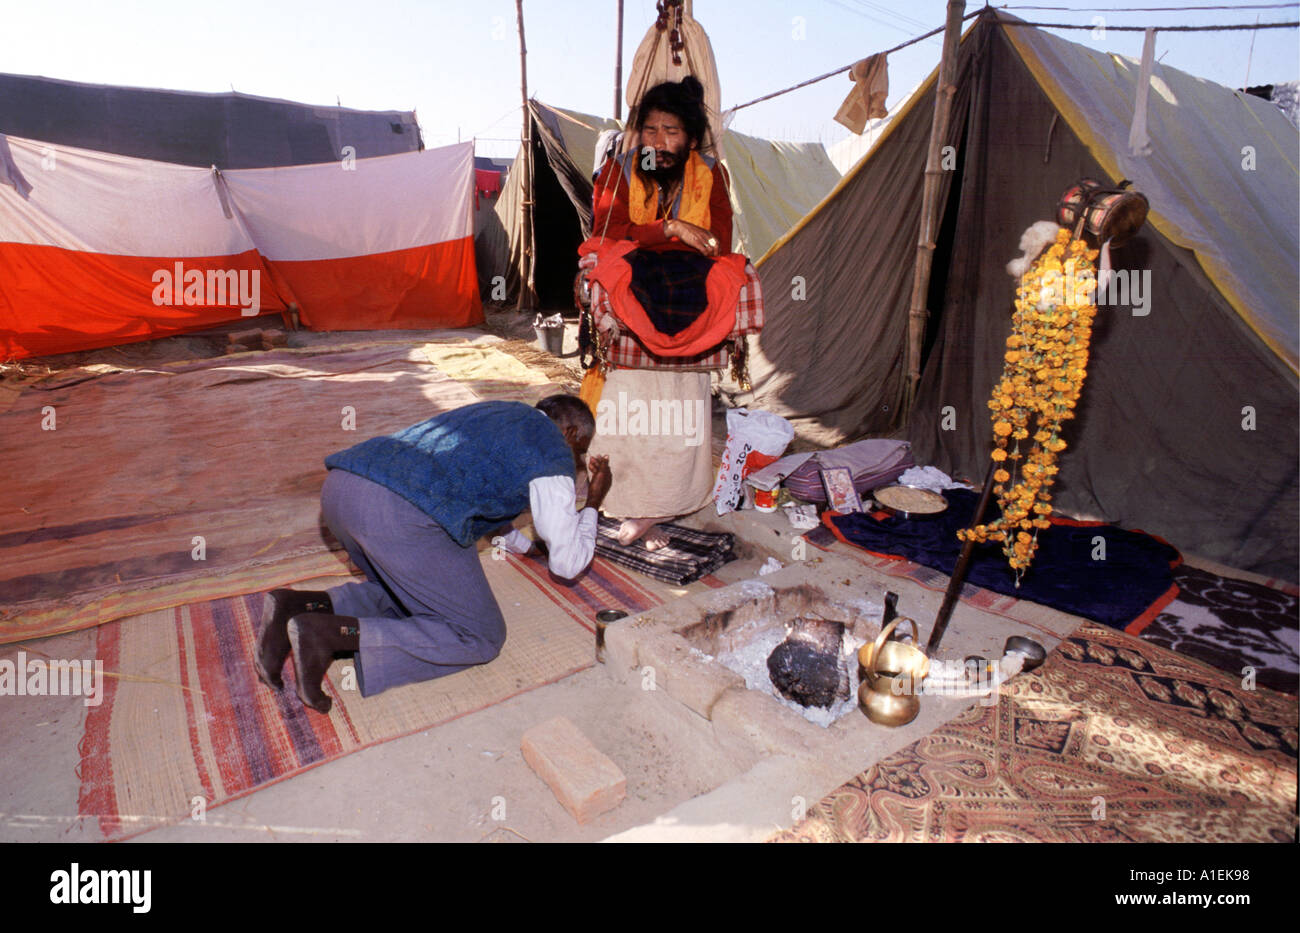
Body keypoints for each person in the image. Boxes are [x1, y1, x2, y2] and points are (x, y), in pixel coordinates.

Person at [254, 395, 611, 713]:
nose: (576, 460)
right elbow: (566, 564)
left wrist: (528, 547)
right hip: (398, 516)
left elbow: (486, 505)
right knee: (478, 635)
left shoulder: (498, 412)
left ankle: (298, 606)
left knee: (413, 593)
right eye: (580, 450)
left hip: (343, 491)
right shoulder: (552, 450)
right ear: (571, 435)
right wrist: (593, 501)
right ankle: (329, 635)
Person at [586, 75, 735, 550]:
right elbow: (609, 232)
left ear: (690, 138)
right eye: (649, 131)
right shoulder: (622, 169)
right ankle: (625, 499)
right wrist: (668, 229)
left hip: (683, 294)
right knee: (630, 409)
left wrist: (685, 246)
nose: (658, 142)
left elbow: (719, 241)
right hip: (633, 292)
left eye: (670, 132)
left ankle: (667, 503)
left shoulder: (710, 174)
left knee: (679, 410)